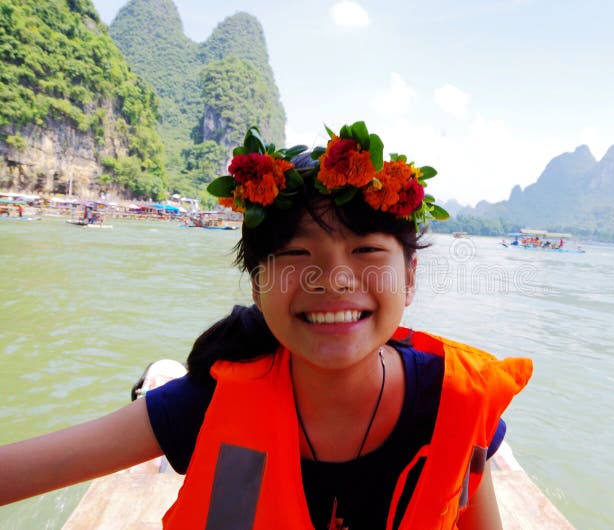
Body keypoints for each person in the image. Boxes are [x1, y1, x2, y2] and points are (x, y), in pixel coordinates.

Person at [0, 121, 533, 529]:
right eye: (296, 253)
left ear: (410, 277)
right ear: (257, 285)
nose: (335, 279)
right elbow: (29, 466)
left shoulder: (457, 401)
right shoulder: (210, 401)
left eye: (367, 249)